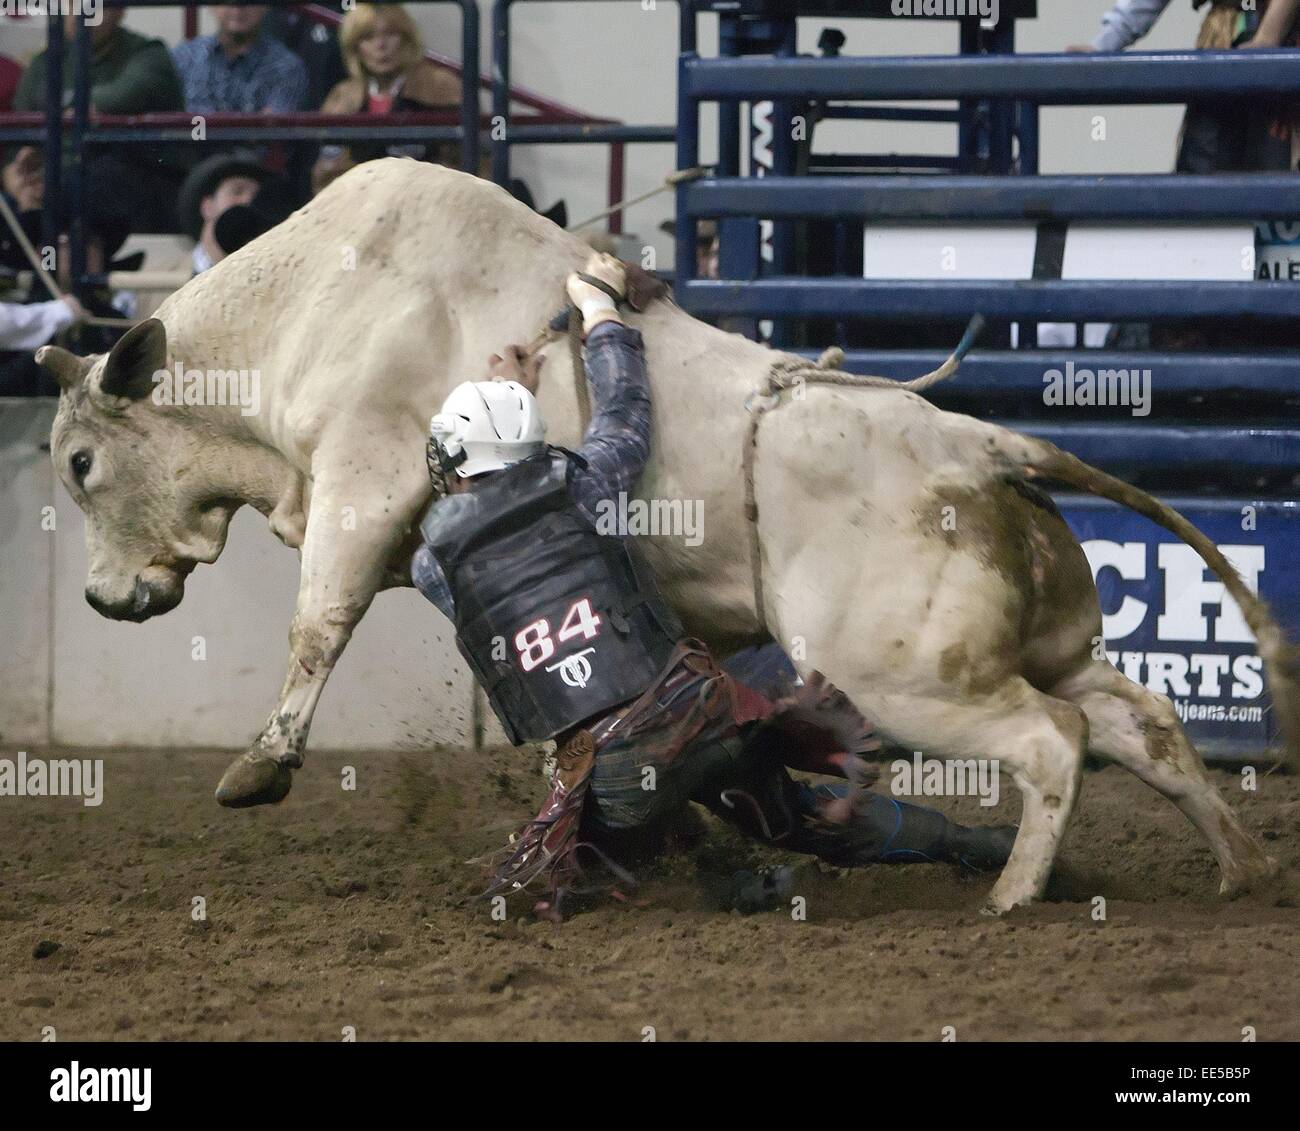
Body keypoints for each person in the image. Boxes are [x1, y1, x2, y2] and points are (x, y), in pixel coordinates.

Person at [411, 253, 1016, 918]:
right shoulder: (582, 486)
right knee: (799, 816)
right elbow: (623, 407)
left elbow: (486, 520)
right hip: (705, 707)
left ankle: (753, 893)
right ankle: (983, 844)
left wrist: (506, 415)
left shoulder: (432, 566)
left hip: (616, 766)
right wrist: (599, 310)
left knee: (572, 881)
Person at [12, 8, 186, 234]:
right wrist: (20, 188)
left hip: (129, 185)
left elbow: (116, 98)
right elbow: (15, 139)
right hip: (53, 183)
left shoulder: (148, 53)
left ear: (119, 11)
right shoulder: (45, 61)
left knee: (97, 180)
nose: (79, 12)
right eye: (71, 3)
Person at [311, 2, 463, 195]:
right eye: (368, 37)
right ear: (355, 47)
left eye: (390, 34)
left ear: (407, 39)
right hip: (358, 208)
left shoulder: (442, 87)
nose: (380, 45)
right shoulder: (342, 96)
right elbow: (326, 175)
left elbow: (465, 168)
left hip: (428, 205)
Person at [172, 5, 309, 114]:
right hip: (192, 147)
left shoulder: (287, 67)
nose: (237, 9)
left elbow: (270, 130)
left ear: (266, 6)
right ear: (211, 5)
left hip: (252, 149)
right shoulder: (183, 57)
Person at [175, 151, 294, 273]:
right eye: (237, 191)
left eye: (257, 195)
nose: (248, 200)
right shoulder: (171, 275)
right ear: (208, 207)